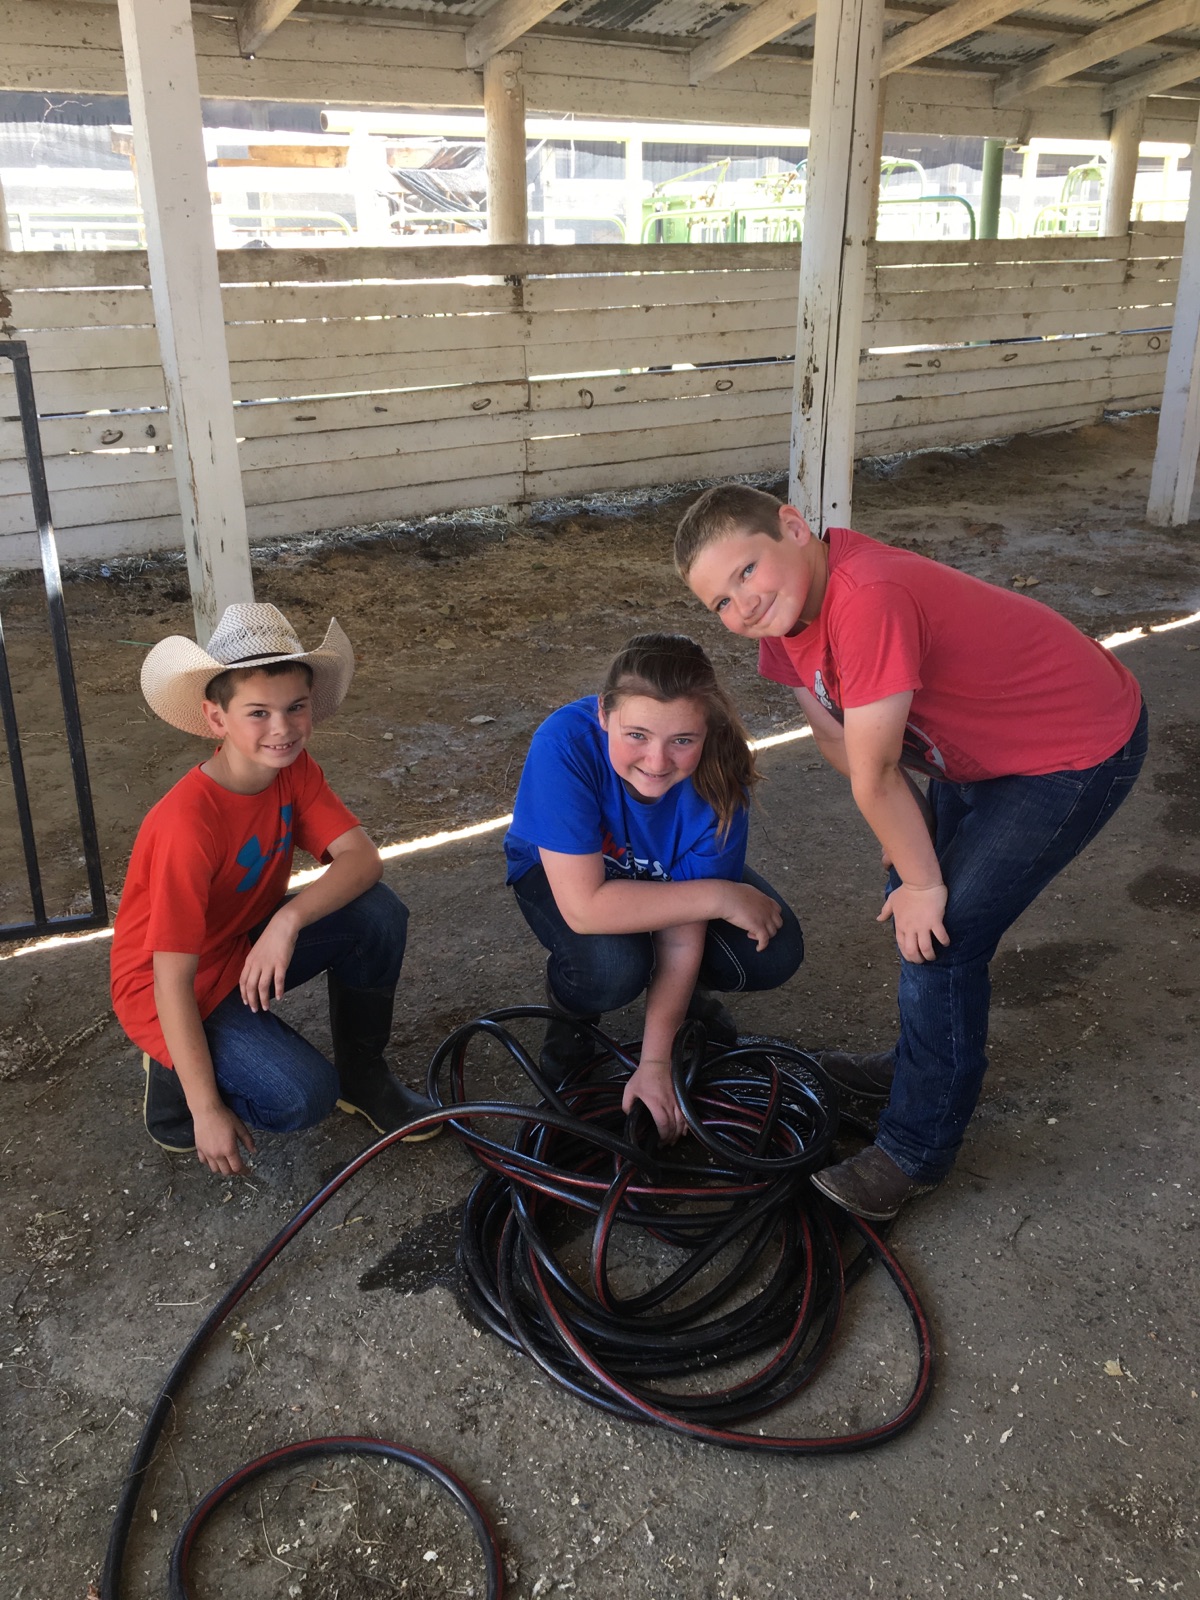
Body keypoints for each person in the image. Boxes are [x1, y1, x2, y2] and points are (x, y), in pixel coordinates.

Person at [676, 484, 1147, 1220]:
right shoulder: (786, 616)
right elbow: (835, 736)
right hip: (982, 751)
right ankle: (914, 1067)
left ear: (793, 527)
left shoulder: (868, 597)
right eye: (720, 603)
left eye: (746, 572)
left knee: (942, 932)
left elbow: (876, 772)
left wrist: (923, 879)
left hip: (1072, 745)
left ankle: (914, 1152)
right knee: (918, 911)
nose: (743, 605)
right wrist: (908, 854)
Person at [111, 602, 437, 1178]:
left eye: (295, 707)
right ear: (217, 719)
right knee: (302, 1097)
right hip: (169, 983)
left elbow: (362, 860)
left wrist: (287, 922)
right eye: (258, 712)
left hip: (240, 940)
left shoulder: (293, 770)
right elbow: (170, 978)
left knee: (377, 914)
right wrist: (207, 1109)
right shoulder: (186, 825)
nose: (282, 728)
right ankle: (175, 1081)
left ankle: (364, 1077)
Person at [504, 632, 804, 1142]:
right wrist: (719, 896)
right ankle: (572, 1022)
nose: (657, 761)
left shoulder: (720, 778)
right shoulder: (563, 744)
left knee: (772, 950)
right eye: (637, 735)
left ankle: (684, 1007)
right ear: (603, 714)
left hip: (655, 879)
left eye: (682, 740)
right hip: (570, 877)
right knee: (612, 966)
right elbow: (585, 908)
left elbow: (682, 935)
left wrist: (656, 1063)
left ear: (707, 730)